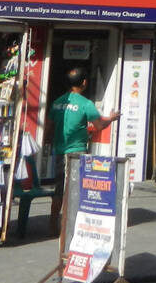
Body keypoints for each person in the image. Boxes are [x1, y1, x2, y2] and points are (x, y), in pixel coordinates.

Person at [48, 67, 118, 236]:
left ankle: (52, 223)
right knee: (77, 190)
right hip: (77, 153)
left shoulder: (57, 102)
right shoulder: (86, 104)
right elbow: (100, 125)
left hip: (59, 151)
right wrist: (111, 118)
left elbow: (49, 128)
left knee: (59, 189)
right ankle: (70, 225)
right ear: (84, 82)